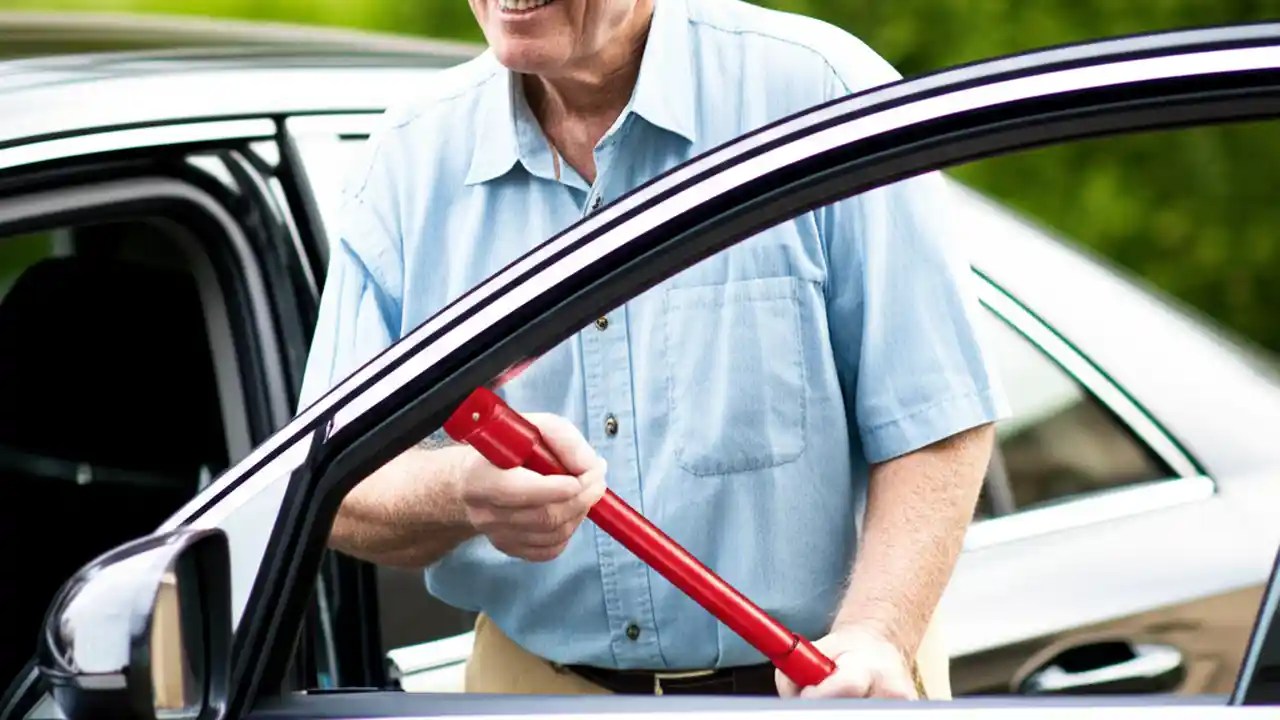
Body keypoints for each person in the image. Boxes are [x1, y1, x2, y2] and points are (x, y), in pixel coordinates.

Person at [297, 0, 1007, 700]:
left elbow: (938, 413)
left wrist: (878, 630)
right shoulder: (409, 163)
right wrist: (459, 492)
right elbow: (331, 484)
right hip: (533, 693)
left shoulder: (820, 95)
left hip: (819, 691)